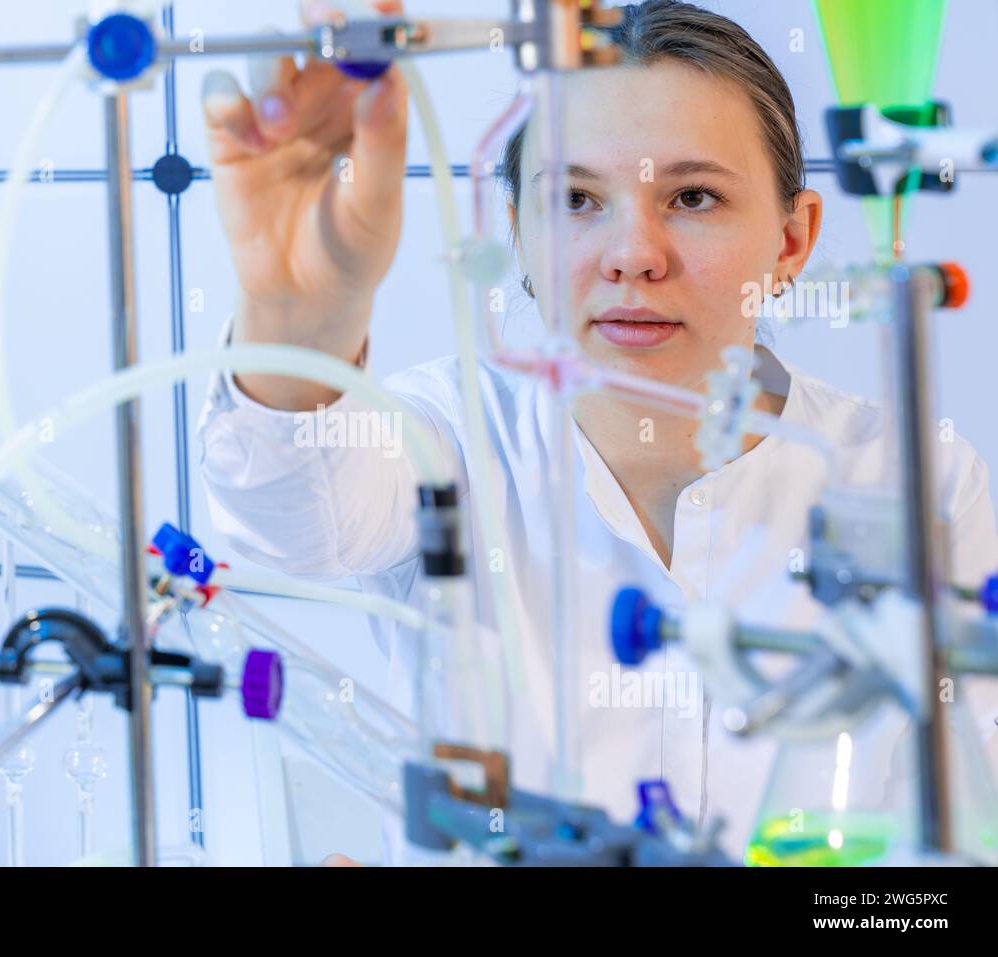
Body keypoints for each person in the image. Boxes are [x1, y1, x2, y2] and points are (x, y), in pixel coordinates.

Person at [195, 0, 998, 863]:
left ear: (793, 240)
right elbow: (288, 514)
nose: (632, 253)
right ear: (518, 234)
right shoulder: (443, 438)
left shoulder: (914, 478)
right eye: (576, 198)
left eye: (693, 196)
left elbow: (965, 828)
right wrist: (302, 317)